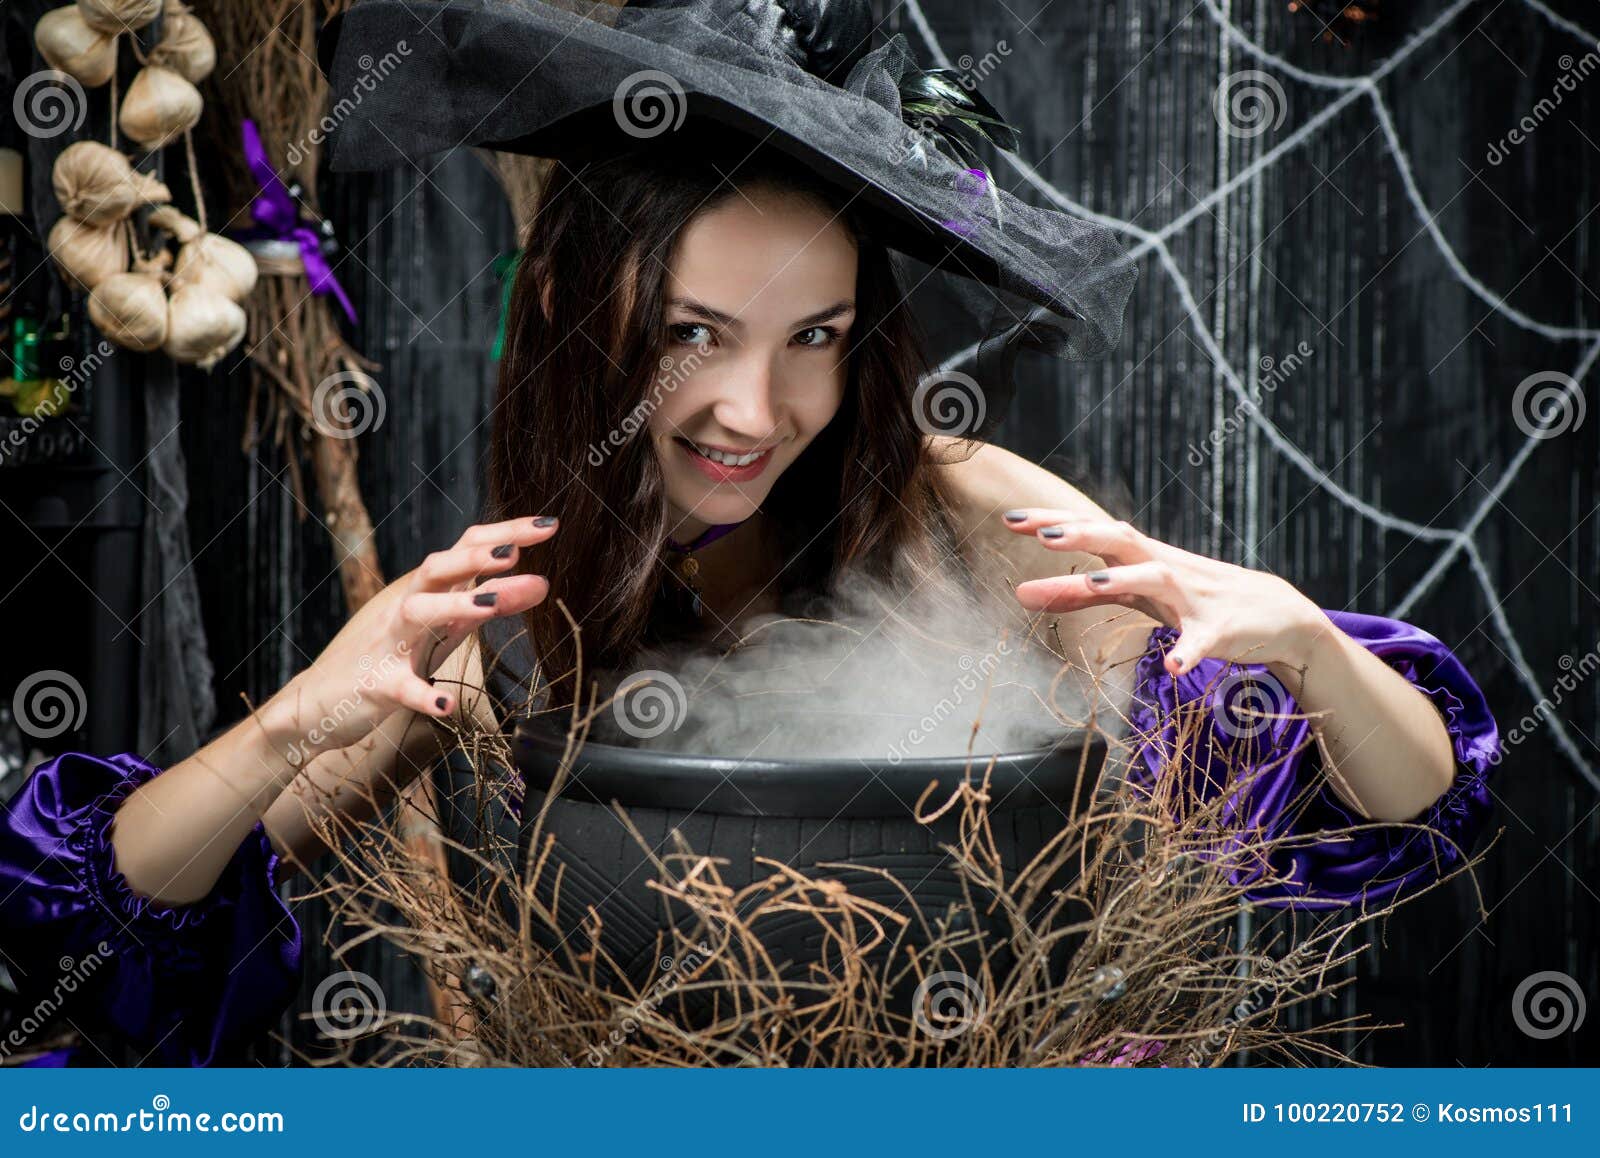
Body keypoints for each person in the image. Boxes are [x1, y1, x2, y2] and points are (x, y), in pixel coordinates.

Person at [0, 0, 1498, 1067]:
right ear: (590, 323)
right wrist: (295, 723)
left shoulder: (966, 511)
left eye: (815, 337)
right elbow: (117, 934)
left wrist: (1298, 641)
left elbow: (1401, 807)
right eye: (691, 332)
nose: (749, 405)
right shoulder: (506, 589)